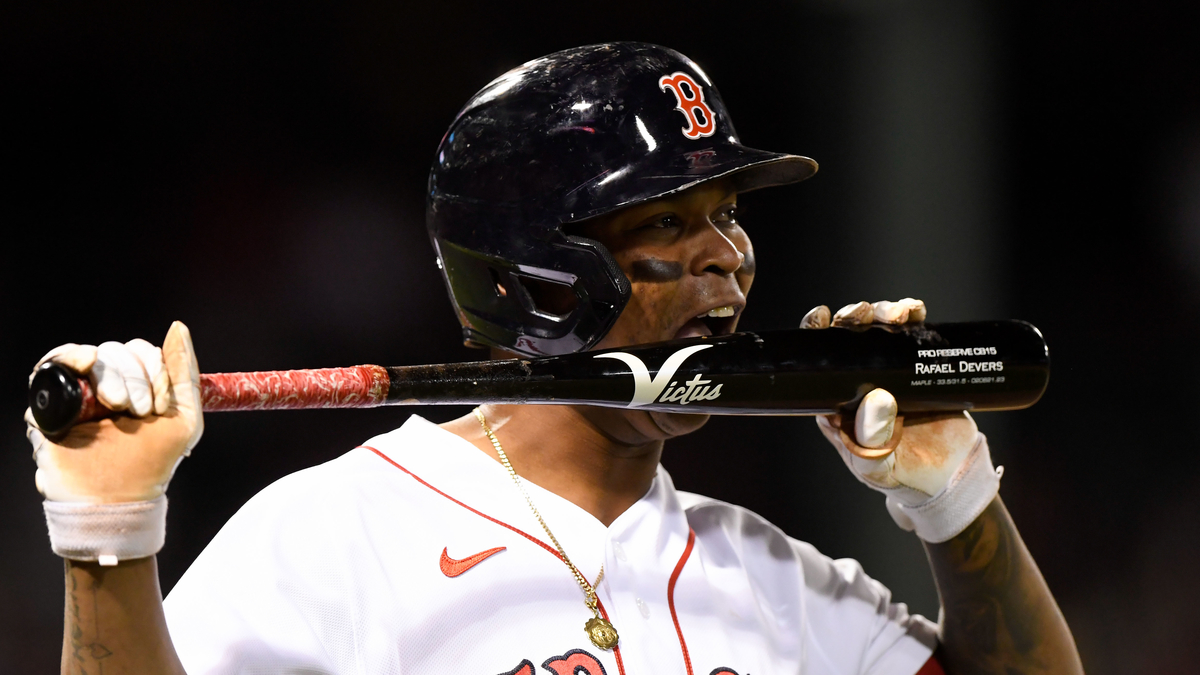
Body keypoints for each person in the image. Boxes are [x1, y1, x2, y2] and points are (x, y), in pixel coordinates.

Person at [27, 43, 1083, 674]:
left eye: (725, 216)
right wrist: (108, 540)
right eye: (667, 224)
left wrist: (956, 501)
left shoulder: (768, 577)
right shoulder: (331, 540)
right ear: (540, 275)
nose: (726, 258)